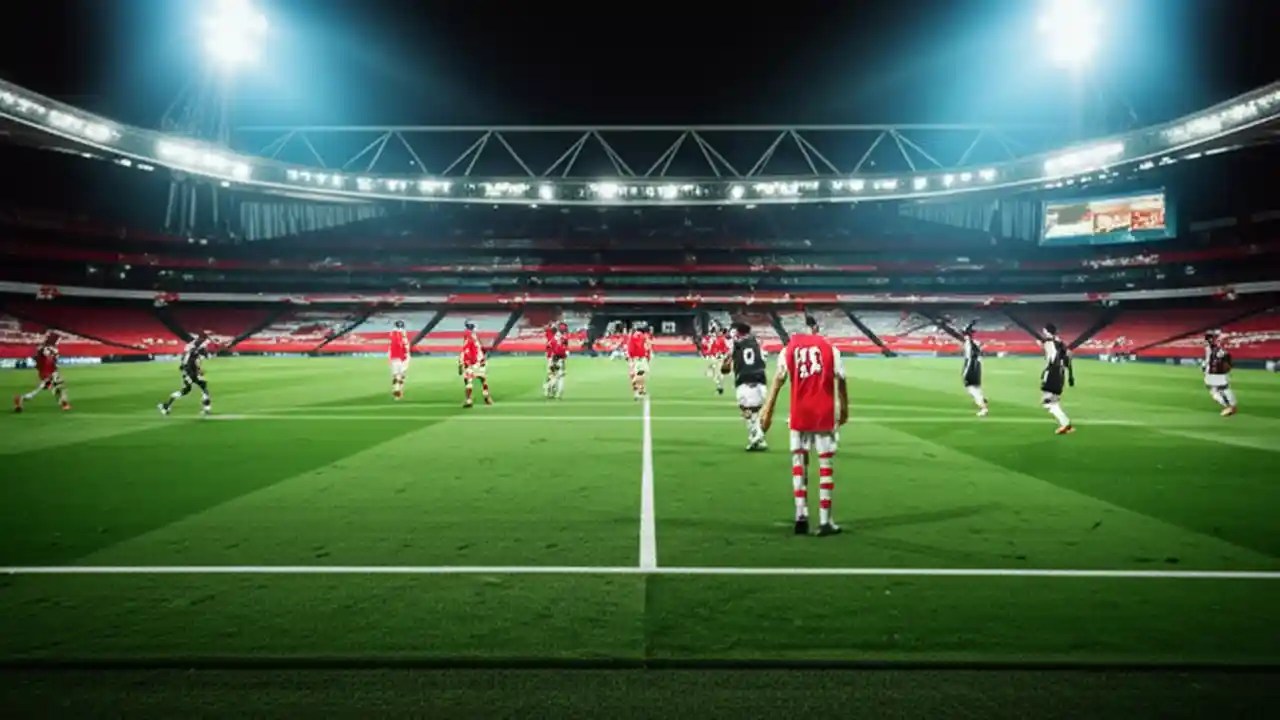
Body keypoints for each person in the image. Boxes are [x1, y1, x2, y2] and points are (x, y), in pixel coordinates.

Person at [761, 314, 848, 536]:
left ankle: (801, 515)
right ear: (815, 327)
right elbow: (841, 381)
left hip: (799, 413)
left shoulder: (788, 349)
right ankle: (825, 521)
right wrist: (844, 410)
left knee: (799, 464)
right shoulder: (831, 349)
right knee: (825, 465)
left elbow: (778, 380)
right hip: (823, 413)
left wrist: (767, 410)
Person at [725, 322, 769, 450]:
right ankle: (757, 440)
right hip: (761, 379)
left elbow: (725, 367)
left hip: (744, 379)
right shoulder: (757, 343)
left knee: (746, 411)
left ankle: (758, 437)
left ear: (738, 332)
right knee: (755, 412)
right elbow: (763, 360)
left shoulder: (736, 344)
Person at [159, 331, 214, 416]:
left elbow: (188, 361)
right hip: (190, 372)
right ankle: (166, 406)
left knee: (189, 390)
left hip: (189, 371)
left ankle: (166, 406)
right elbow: (192, 361)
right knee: (198, 387)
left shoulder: (191, 349)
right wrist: (197, 369)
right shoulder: (196, 349)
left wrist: (197, 369)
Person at [13, 332, 71, 412]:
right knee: (55, 387)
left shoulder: (44, 348)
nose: (58, 342)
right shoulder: (48, 349)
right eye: (58, 340)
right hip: (48, 372)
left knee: (51, 387)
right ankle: (64, 404)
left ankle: (64, 403)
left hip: (48, 371)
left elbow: (42, 359)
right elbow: (46, 359)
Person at [1040, 323, 1075, 434]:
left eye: (1044, 331)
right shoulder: (1061, 344)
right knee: (1053, 401)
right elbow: (1068, 360)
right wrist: (1071, 376)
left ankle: (1065, 424)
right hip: (1061, 375)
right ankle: (1066, 424)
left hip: (1052, 374)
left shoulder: (1049, 343)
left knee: (1048, 402)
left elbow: (1051, 360)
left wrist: (1044, 374)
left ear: (1047, 331)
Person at [459, 320, 493, 408]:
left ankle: (469, 400)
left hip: (470, 363)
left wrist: (461, 364)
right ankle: (487, 397)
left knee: (468, 381)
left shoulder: (467, 337)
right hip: (479, 362)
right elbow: (479, 350)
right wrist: (483, 360)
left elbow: (464, 351)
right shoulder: (475, 338)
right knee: (483, 380)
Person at [1203, 331, 1238, 416]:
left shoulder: (1212, 349)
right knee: (1219, 391)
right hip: (1220, 374)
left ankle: (1230, 406)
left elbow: (1208, 342)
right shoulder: (1223, 352)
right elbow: (1229, 365)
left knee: (1218, 391)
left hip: (1214, 374)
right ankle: (1230, 405)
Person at [961, 322, 989, 416]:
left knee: (971, 388)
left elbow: (968, 357)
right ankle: (982, 401)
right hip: (977, 366)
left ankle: (982, 406)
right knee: (976, 387)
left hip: (971, 366)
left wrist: (965, 372)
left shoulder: (969, 344)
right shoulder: (975, 344)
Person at [627, 322, 652, 399]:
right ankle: (636, 384)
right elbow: (645, 347)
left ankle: (640, 390)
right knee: (641, 374)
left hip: (634, 358)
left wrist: (630, 359)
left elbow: (629, 348)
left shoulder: (632, 336)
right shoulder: (642, 336)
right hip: (640, 358)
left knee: (638, 374)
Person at [389, 320, 410, 400]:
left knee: (396, 375)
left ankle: (396, 392)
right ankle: (399, 392)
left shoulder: (393, 333)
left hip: (394, 356)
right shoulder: (403, 334)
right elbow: (405, 347)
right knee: (401, 375)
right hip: (403, 357)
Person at [544, 328, 569, 399]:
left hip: (553, 360)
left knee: (551, 376)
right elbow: (565, 356)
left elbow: (548, 351)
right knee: (559, 377)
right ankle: (555, 392)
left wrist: (550, 359)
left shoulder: (552, 341)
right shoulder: (562, 344)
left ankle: (549, 390)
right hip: (558, 361)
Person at [709, 327, 731, 395]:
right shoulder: (716, 340)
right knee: (715, 374)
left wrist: (721, 354)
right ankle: (719, 387)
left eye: (719, 332)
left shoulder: (722, 340)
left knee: (717, 374)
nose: (718, 333)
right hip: (716, 358)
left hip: (720, 359)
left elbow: (727, 350)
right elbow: (712, 349)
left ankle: (720, 388)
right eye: (718, 332)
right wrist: (713, 354)